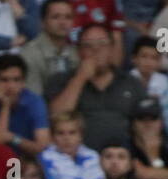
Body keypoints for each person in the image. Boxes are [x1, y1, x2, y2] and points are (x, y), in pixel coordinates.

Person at [45, 22, 143, 151]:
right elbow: (56, 116)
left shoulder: (131, 82)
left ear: (112, 49)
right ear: (79, 51)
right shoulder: (62, 80)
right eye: (88, 46)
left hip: (121, 160)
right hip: (74, 160)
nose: (96, 50)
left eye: (102, 44)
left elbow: (145, 125)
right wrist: (80, 78)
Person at [0, 52, 50, 158]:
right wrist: (5, 105)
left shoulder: (34, 102)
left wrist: (12, 138)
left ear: (23, 82)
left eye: (16, 80)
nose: (11, 86)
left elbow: (43, 147)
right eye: (4, 80)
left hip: (25, 162)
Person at [38, 109, 102, 179]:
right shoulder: (45, 160)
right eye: (60, 133)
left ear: (81, 136)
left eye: (72, 133)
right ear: (52, 137)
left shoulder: (94, 157)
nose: (66, 138)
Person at [20, 0, 77, 96]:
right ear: (42, 22)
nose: (63, 22)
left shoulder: (77, 52)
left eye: (68, 17)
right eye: (56, 17)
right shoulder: (29, 54)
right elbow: (34, 99)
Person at [127, 35, 168, 100]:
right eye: (144, 56)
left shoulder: (163, 81)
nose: (148, 62)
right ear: (134, 58)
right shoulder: (126, 80)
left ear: (159, 61)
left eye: (154, 58)